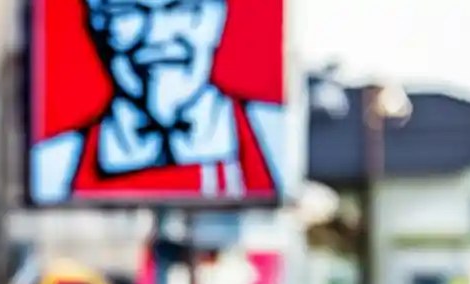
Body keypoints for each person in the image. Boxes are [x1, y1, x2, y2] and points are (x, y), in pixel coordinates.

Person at [31, 0, 285, 203]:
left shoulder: (274, 137)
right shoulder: (53, 163)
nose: (157, 35)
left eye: (182, 7)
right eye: (127, 9)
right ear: (97, 23)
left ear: (216, 17)